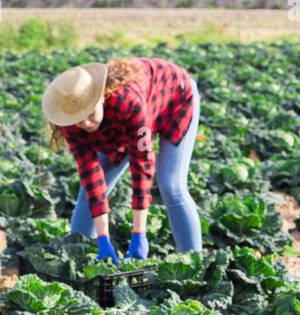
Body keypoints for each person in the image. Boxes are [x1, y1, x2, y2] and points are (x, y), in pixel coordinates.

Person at [43, 57, 202, 263]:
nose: (86, 123)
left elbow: (142, 164)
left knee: (171, 185)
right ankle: (79, 259)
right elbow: (91, 176)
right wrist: (102, 238)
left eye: (90, 114)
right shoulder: (72, 122)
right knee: (88, 191)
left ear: (100, 97)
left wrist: (139, 234)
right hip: (121, 122)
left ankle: (196, 263)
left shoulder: (128, 103)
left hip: (175, 97)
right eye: (79, 118)